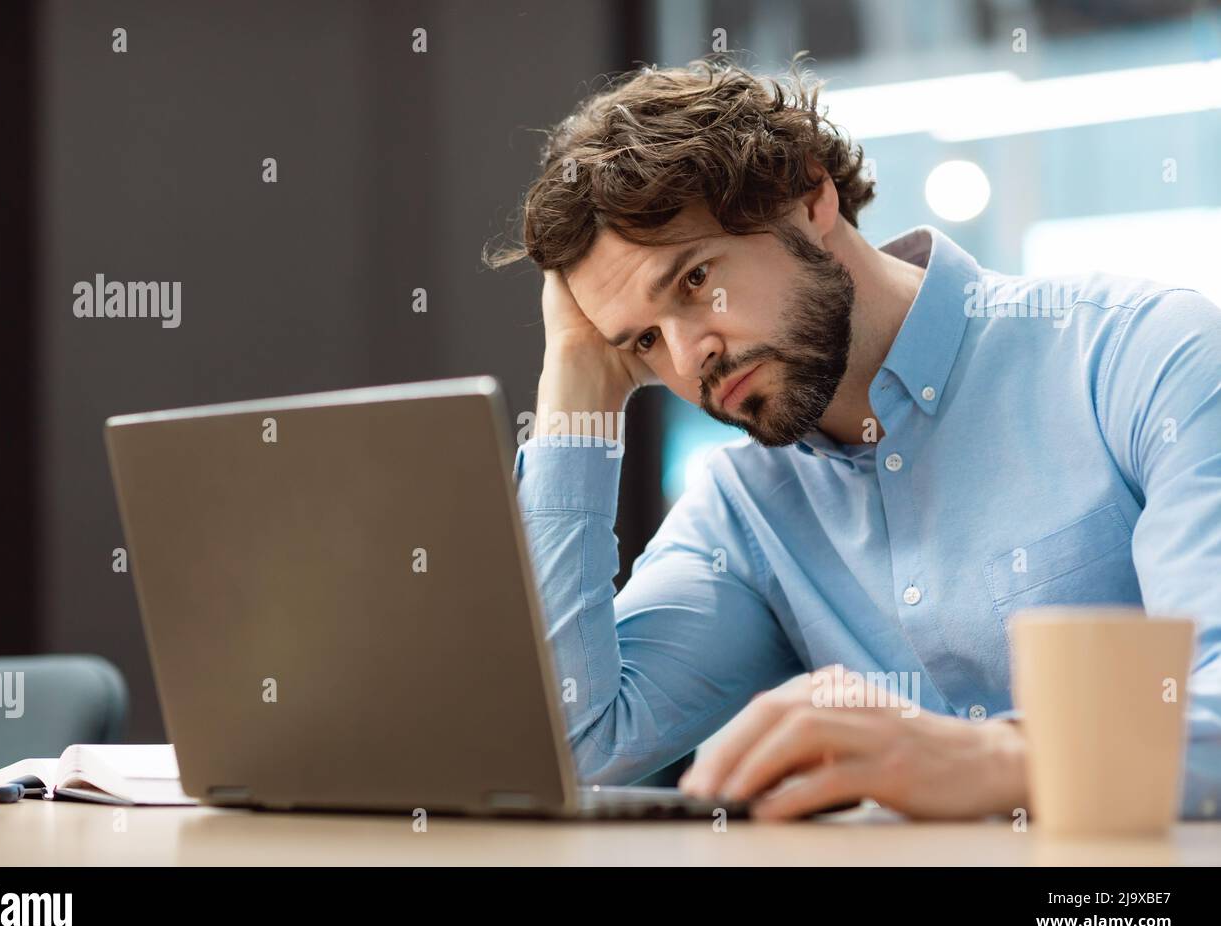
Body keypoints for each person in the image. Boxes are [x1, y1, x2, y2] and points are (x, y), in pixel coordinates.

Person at [484, 59, 1221, 820]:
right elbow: (573, 748)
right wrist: (574, 391)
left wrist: (999, 761)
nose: (685, 356)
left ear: (810, 194)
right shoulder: (743, 512)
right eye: (640, 340)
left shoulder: (1143, 355)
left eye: (697, 280)